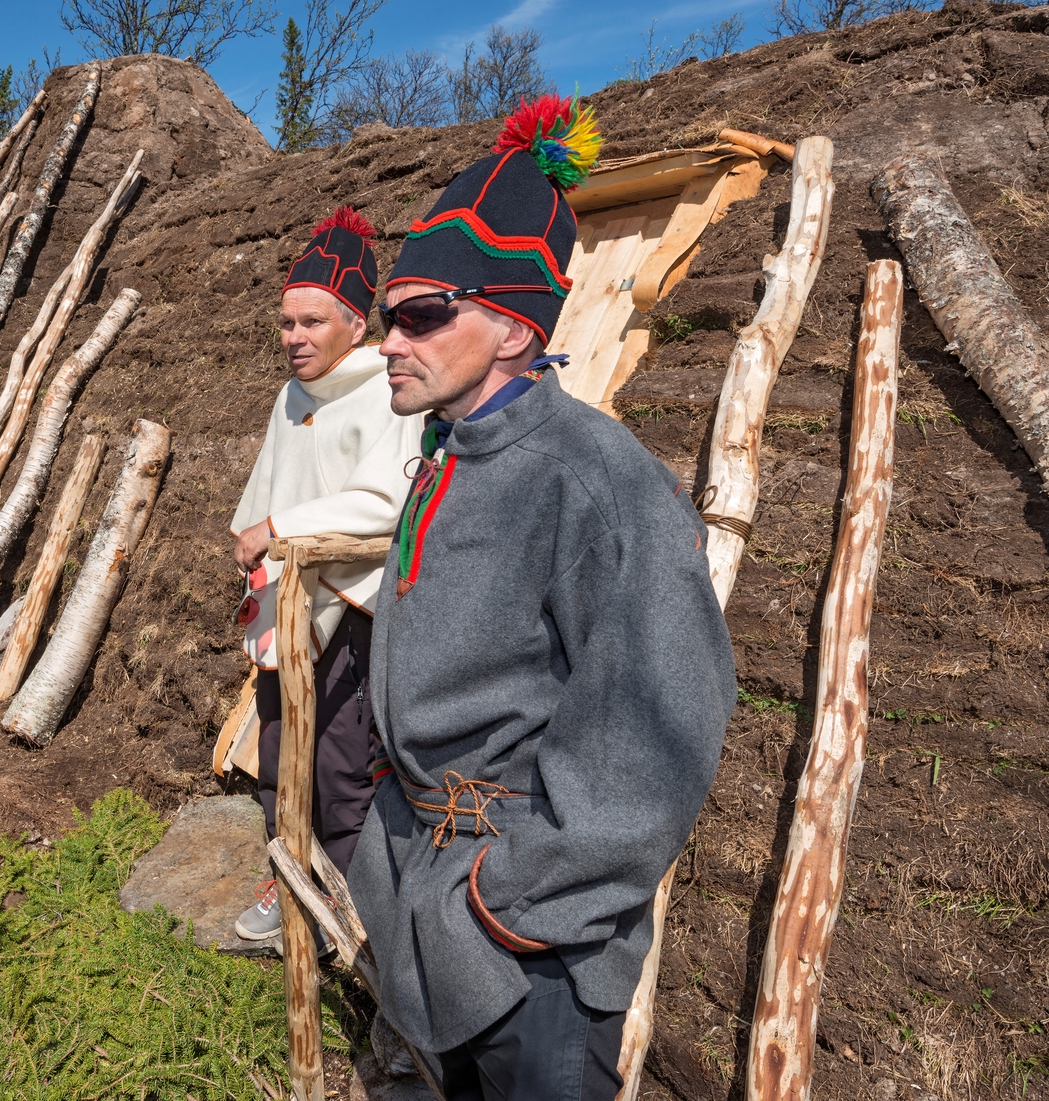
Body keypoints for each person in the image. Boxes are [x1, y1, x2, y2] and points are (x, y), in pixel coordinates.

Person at [346, 97, 737, 1099]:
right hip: (435, 900)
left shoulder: (595, 479)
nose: (392, 337)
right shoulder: (449, 454)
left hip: (536, 948)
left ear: (515, 324)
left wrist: (511, 899)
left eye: (425, 312)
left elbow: (665, 715)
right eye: (392, 313)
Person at [230, 207, 423, 945]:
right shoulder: (292, 395)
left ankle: (351, 913)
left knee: (342, 773)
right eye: (286, 323)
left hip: (351, 608)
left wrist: (277, 532)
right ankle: (290, 881)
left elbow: (383, 503)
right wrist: (257, 555)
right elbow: (272, 486)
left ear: (354, 323)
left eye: (312, 322)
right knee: (281, 755)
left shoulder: (387, 392)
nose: (295, 338)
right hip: (288, 606)